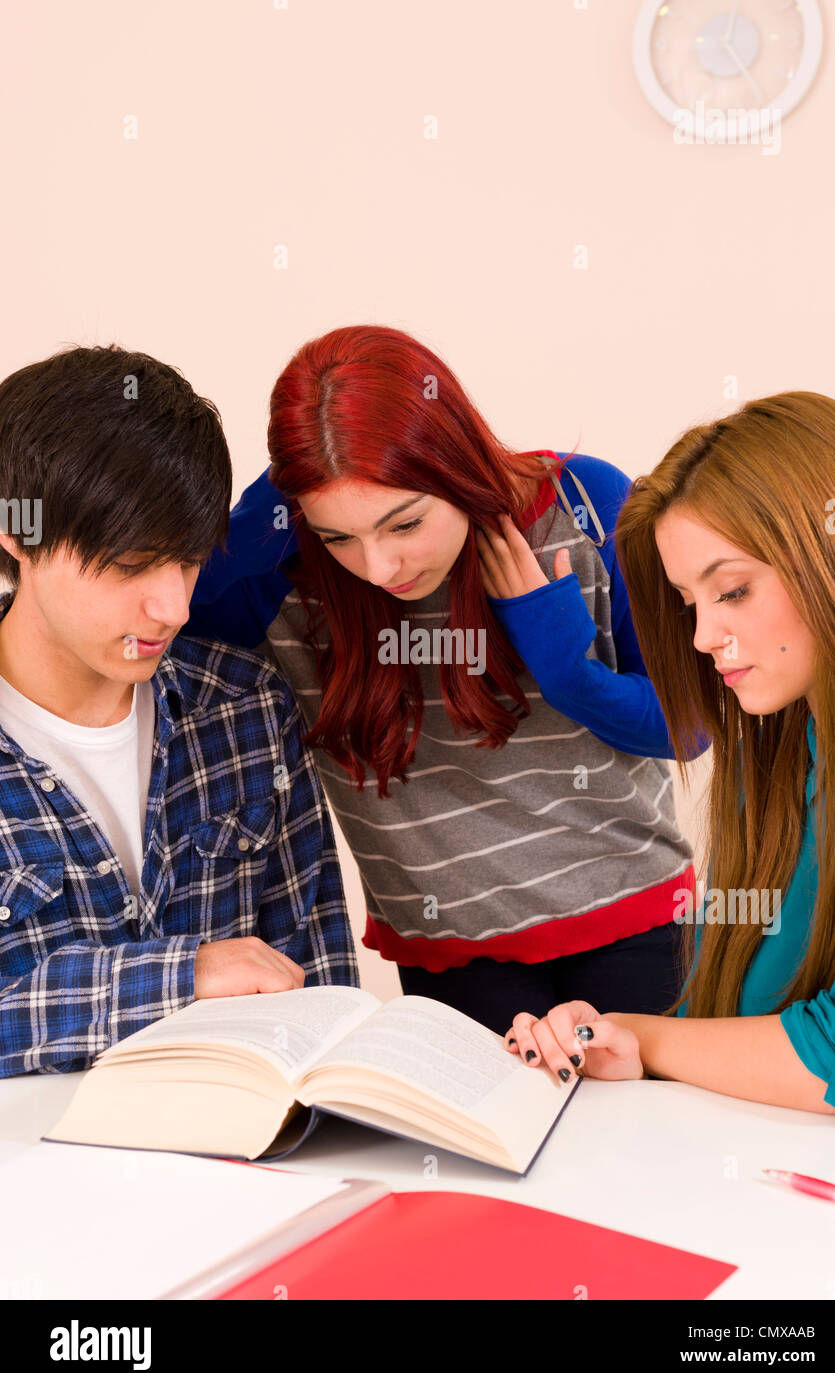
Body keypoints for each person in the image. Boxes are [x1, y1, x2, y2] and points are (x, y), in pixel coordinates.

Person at [186, 324, 704, 1045]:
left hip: (640, 927)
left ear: (452, 462)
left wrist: (568, 672)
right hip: (451, 955)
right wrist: (250, 524)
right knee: (493, 1154)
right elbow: (150, 615)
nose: (378, 566)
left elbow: (688, 727)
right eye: (339, 536)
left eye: (405, 523)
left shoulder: (585, 505)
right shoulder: (283, 571)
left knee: (654, 1146)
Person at [0, 344, 358, 1077]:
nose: (174, 607)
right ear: (17, 535)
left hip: (242, 1170)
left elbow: (320, 984)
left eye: (190, 559)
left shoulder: (246, 709)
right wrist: (179, 977)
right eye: (130, 565)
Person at [506, 391, 835, 1117]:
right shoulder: (781, 751)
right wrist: (611, 1040)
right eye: (687, 602)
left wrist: (647, 1034)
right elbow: (731, 1002)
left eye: (731, 590)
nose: (703, 638)